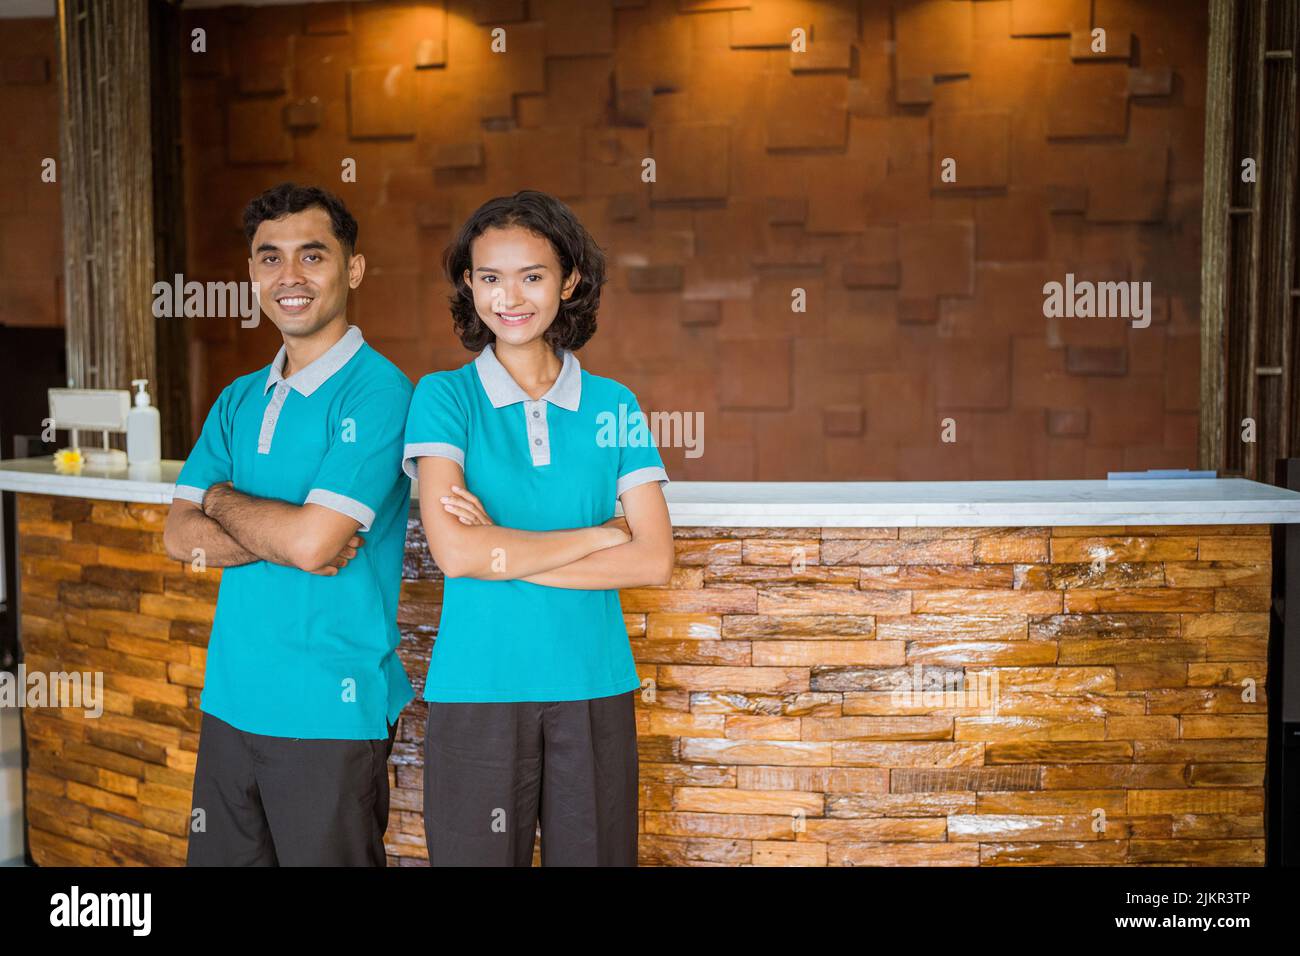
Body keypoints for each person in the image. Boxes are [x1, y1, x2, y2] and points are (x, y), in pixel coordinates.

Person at [404, 189, 675, 866]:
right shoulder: (444, 396)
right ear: (469, 285)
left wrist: (506, 542)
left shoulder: (615, 404)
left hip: (593, 686)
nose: (509, 297)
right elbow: (458, 553)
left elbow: (653, 562)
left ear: (569, 280)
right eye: (489, 277)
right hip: (478, 688)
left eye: (532, 276)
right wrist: (599, 534)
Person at [163, 182, 414, 866]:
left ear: (352, 269)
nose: (290, 277)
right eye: (269, 258)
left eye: (312, 255)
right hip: (231, 700)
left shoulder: (380, 391)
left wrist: (218, 501)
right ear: (252, 274)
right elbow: (178, 535)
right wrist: (275, 528)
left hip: (330, 711)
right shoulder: (240, 397)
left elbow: (315, 543)